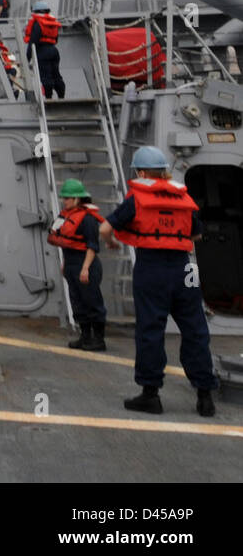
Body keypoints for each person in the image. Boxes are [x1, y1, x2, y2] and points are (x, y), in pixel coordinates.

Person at [98, 146, 218, 416]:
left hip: (152, 269)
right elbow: (196, 235)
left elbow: (105, 228)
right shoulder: (182, 197)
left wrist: (112, 243)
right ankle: (205, 395)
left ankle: (150, 395)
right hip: (185, 270)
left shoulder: (138, 198)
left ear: (141, 172)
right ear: (164, 171)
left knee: (151, 330)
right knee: (196, 330)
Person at [48, 179, 106, 350]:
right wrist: (66, 264)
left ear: (77, 199)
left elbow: (92, 246)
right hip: (72, 264)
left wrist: (85, 268)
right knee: (78, 302)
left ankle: (98, 339)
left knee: (92, 301)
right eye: (64, 198)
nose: (64, 201)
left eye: (67, 198)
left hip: (86, 264)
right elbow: (67, 245)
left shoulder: (87, 219)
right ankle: (85, 336)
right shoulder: (67, 217)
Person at [24, 0, 65, 99]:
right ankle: (61, 95)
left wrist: (27, 58)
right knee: (56, 74)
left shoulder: (37, 23)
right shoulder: (52, 22)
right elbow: (55, 39)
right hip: (54, 50)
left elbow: (33, 41)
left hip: (42, 51)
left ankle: (49, 97)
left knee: (45, 75)